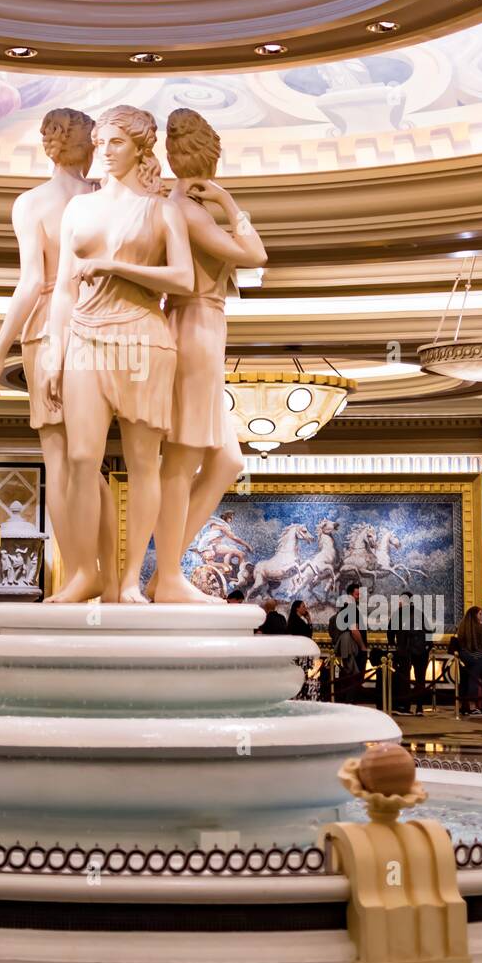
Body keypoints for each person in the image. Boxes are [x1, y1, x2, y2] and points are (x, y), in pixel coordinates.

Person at [45, 105, 194, 602]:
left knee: (143, 463)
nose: (104, 152)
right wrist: (53, 350)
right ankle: (84, 573)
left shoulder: (161, 208)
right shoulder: (79, 209)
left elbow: (183, 279)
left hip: (143, 338)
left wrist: (116, 267)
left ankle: (130, 580)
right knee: (82, 458)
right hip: (85, 335)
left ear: (139, 148)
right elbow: (64, 289)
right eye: (101, 143)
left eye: (116, 144)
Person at [0, 107, 118, 601]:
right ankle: (106, 577)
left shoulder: (37, 203)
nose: (96, 146)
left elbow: (30, 283)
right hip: (97, 327)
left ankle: (84, 573)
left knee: (62, 459)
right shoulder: (104, 199)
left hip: (53, 330)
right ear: (74, 142)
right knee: (90, 462)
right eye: (90, 138)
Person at [149, 108, 266, 603]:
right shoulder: (188, 210)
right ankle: (167, 578)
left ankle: (166, 571)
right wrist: (230, 203)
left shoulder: (185, 207)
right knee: (181, 459)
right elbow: (256, 254)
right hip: (192, 326)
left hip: (205, 329)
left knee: (227, 460)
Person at [391, 592, 431, 716]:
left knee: (404, 679)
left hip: (404, 651)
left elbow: (390, 632)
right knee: (420, 680)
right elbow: (429, 632)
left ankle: (405, 706)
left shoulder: (398, 614)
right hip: (421, 652)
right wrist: (426, 648)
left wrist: (394, 644)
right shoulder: (420, 614)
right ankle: (419, 707)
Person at [453, 605, 482, 716]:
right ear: (474, 615)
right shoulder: (480, 627)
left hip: (464, 656)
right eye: (480, 614)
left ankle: (461, 706)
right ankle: (472, 707)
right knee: (474, 681)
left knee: (464, 681)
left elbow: (459, 642)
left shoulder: (461, 626)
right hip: (477, 657)